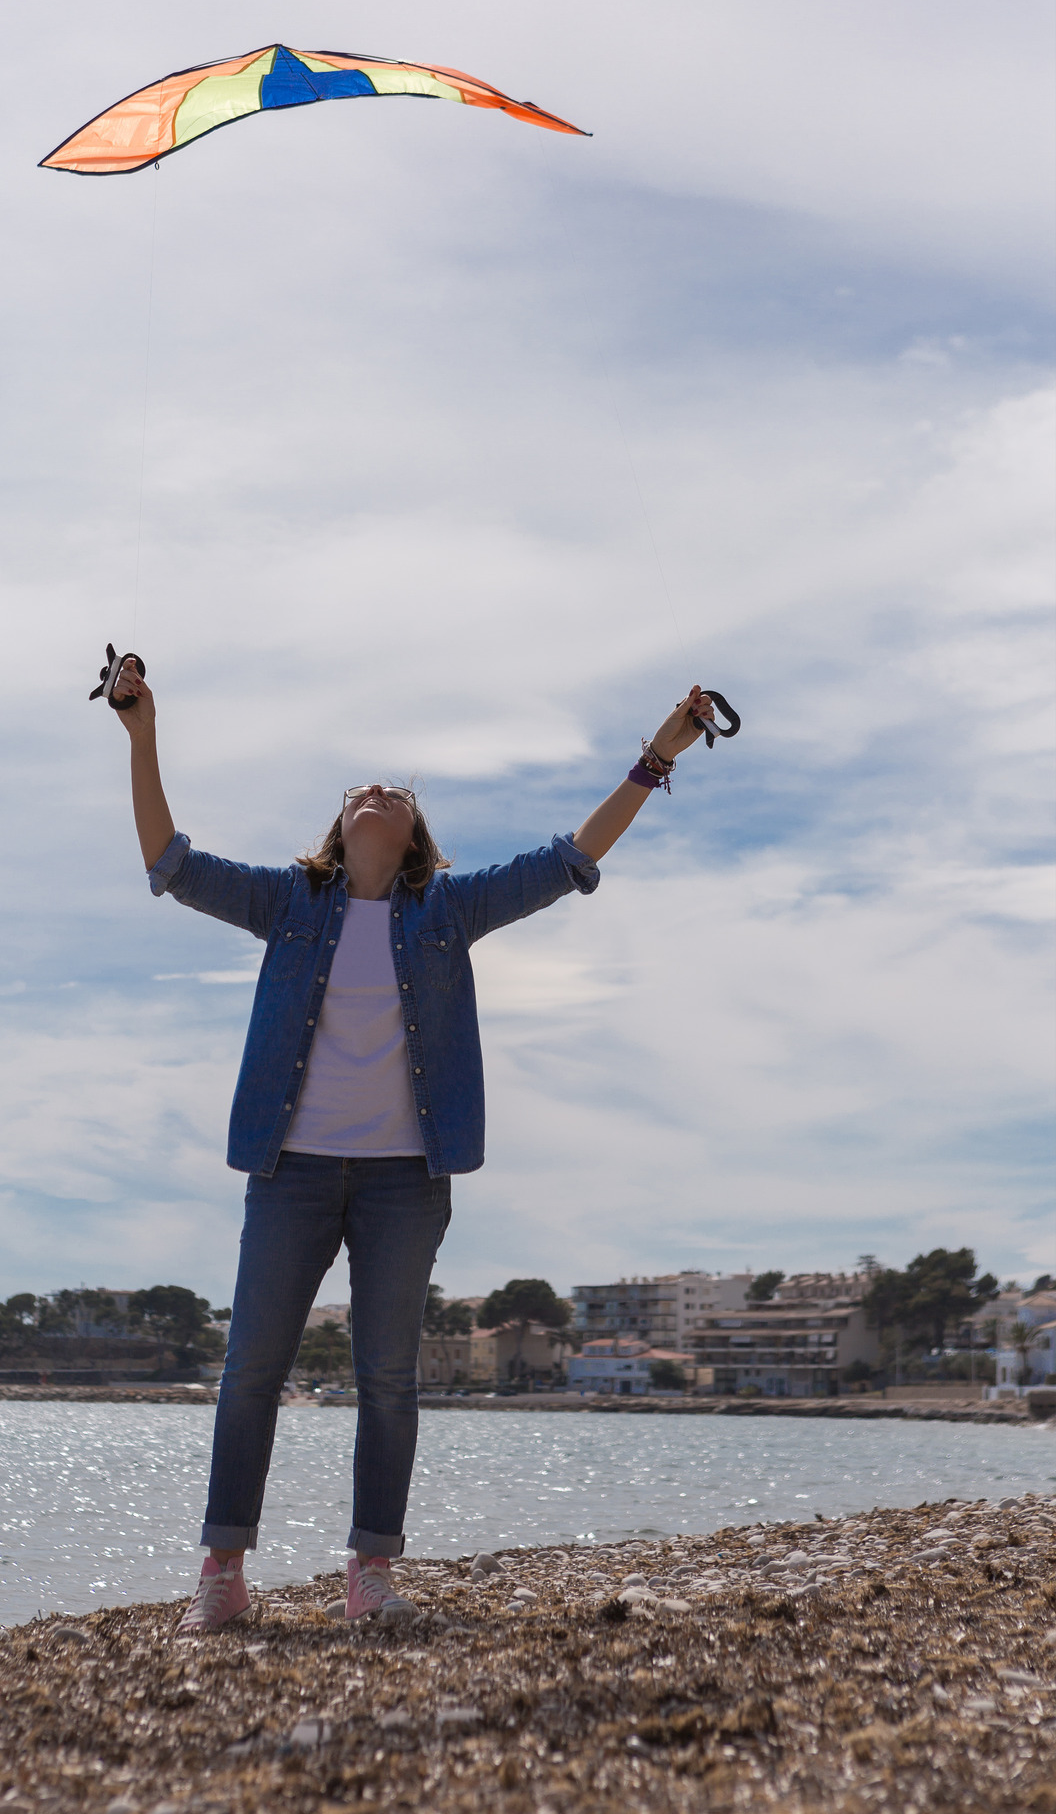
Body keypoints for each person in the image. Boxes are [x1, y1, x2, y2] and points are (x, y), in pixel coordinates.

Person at [110, 669, 717, 1631]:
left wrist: (657, 757)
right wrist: (143, 734)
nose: (374, 791)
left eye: (393, 792)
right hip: (290, 1173)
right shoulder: (287, 904)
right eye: (359, 790)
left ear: (414, 835)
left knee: (388, 1377)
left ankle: (370, 1577)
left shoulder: (447, 912)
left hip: (406, 1183)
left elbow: (571, 858)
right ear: (340, 826)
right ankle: (221, 1576)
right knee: (251, 1371)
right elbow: (168, 862)